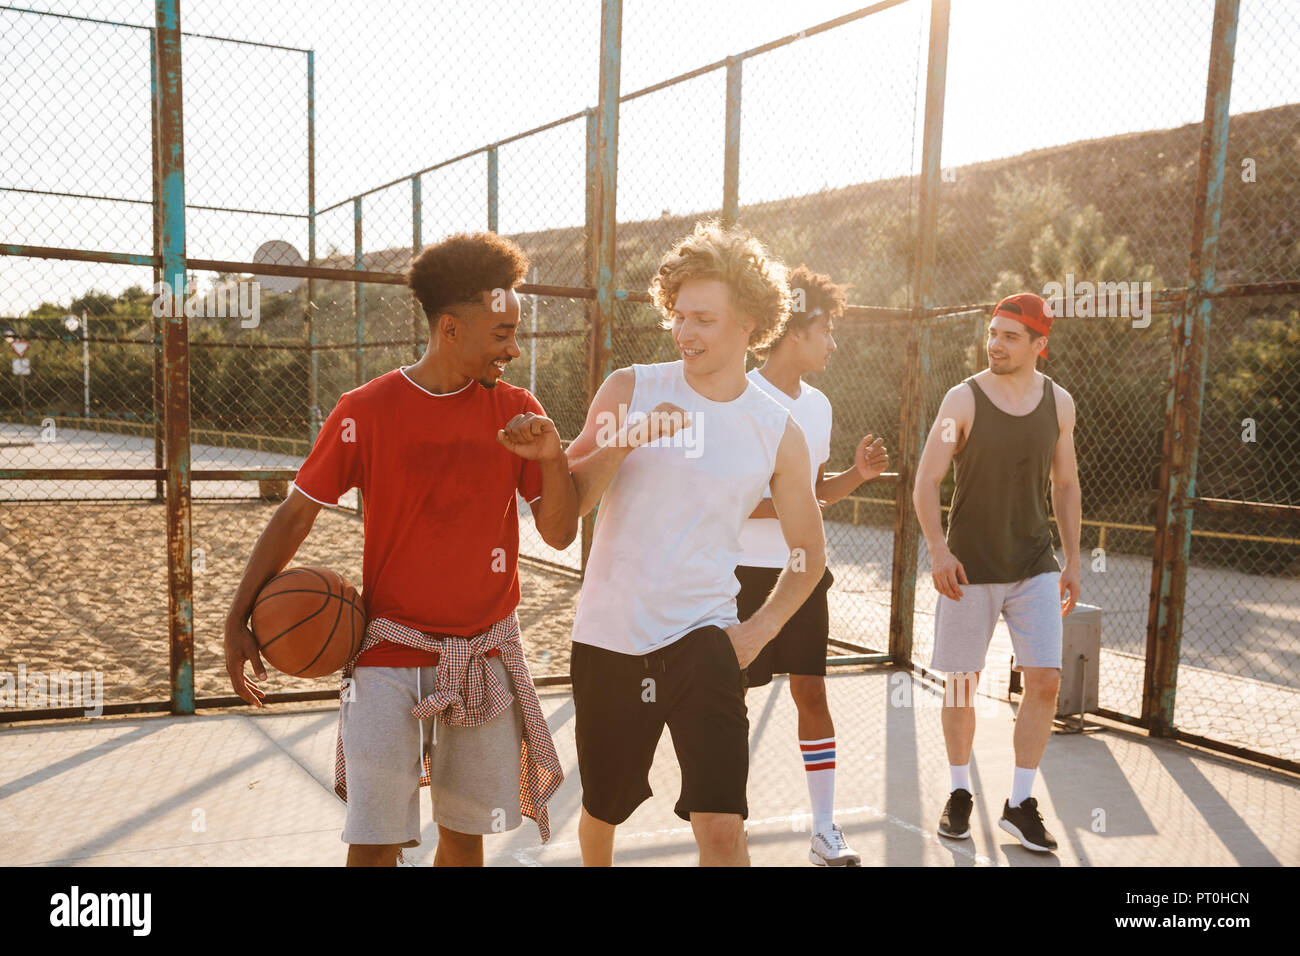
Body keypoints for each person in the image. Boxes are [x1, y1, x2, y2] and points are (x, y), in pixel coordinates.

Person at [223, 231, 576, 866]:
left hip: (484, 649)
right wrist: (235, 618)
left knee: (466, 840)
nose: (513, 348)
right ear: (450, 328)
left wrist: (552, 460)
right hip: (387, 652)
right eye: (500, 333)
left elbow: (558, 533)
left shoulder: (517, 410)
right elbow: (296, 512)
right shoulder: (367, 409)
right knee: (375, 840)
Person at [565, 220, 827, 866]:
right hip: (611, 638)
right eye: (679, 317)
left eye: (704, 319)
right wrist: (625, 438)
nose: (686, 333)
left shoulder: (776, 430)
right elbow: (568, 502)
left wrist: (757, 632)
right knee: (602, 814)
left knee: (720, 828)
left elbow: (808, 555)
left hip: (705, 639)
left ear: (749, 323)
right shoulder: (631, 388)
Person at [912, 291, 1081, 853]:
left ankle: (1019, 803)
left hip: (1034, 564)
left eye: (1011, 336)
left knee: (1047, 682)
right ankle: (960, 792)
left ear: (1039, 344)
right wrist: (938, 552)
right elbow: (926, 480)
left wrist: (1074, 559)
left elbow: (1065, 484)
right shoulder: (961, 400)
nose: (996, 344)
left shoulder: (1059, 404)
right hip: (969, 568)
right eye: (993, 333)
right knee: (962, 683)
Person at [735, 264, 889, 867]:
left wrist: (857, 477)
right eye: (825, 330)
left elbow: (812, 492)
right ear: (794, 331)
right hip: (742, 575)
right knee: (731, 703)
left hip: (801, 574)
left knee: (813, 695)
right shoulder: (741, 396)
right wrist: (791, 507)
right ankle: (729, 823)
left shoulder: (819, 406)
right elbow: (736, 500)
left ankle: (824, 829)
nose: (833, 342)